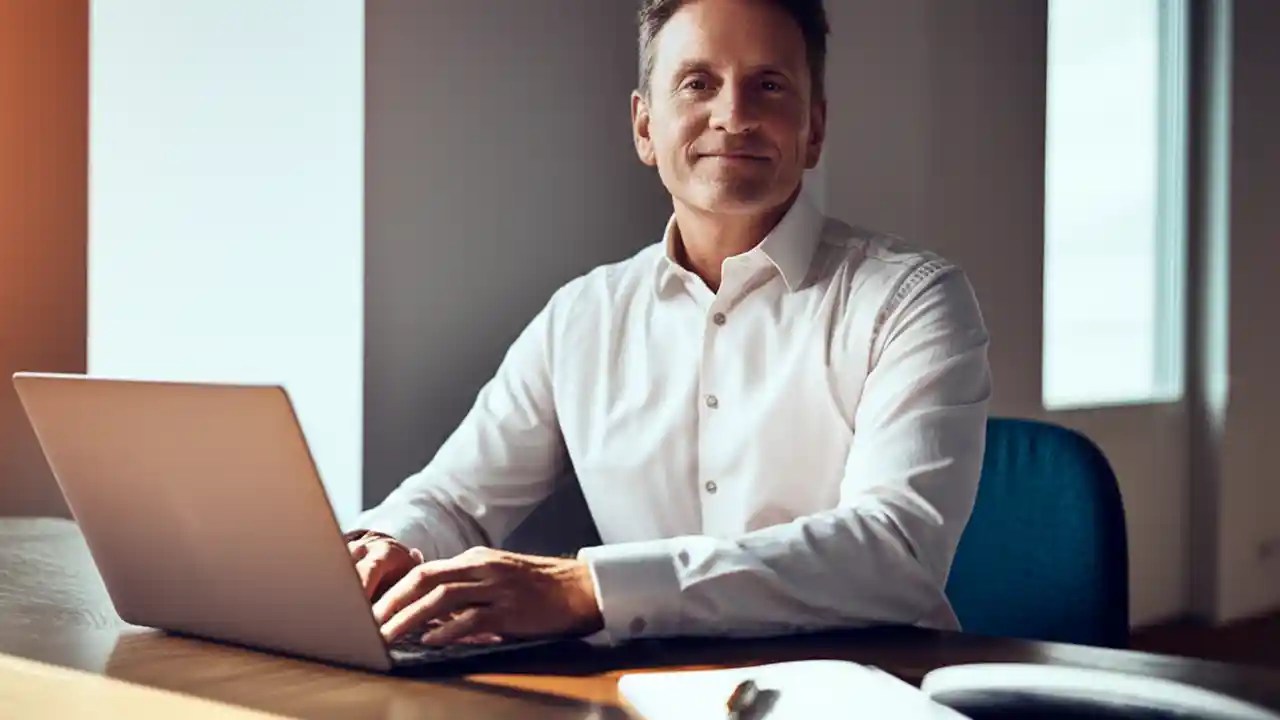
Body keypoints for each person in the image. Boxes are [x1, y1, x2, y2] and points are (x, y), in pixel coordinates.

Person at [345, 0, 991, 648]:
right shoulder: (583, 318)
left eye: (769, 85)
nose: (734, 116)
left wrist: (589, 590)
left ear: (814, 128)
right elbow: (455, 499)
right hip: (652, 696)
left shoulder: (911, 300)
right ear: (645, 127)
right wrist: (385, 545)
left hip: (870, 693)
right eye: (698, 83)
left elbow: (897, 550)